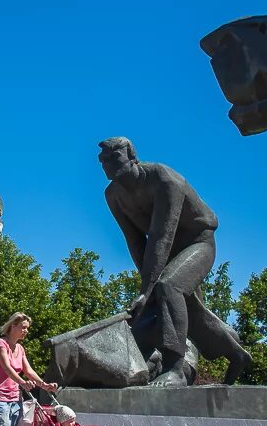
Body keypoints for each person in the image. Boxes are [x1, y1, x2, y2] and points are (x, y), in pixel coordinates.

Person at [98, 137, 252, 387]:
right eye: (102, 160)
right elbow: (135, 241)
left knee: (168, 287)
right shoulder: (113, 195)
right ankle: (234, 350)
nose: (107, 164)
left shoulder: (164, 179)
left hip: (197, 242)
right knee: (179, 308)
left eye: (114, 157)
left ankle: (175, 367)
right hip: (164, 252)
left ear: (132, 156)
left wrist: (149, 289)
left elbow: (161, 236)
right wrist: (144, 292)